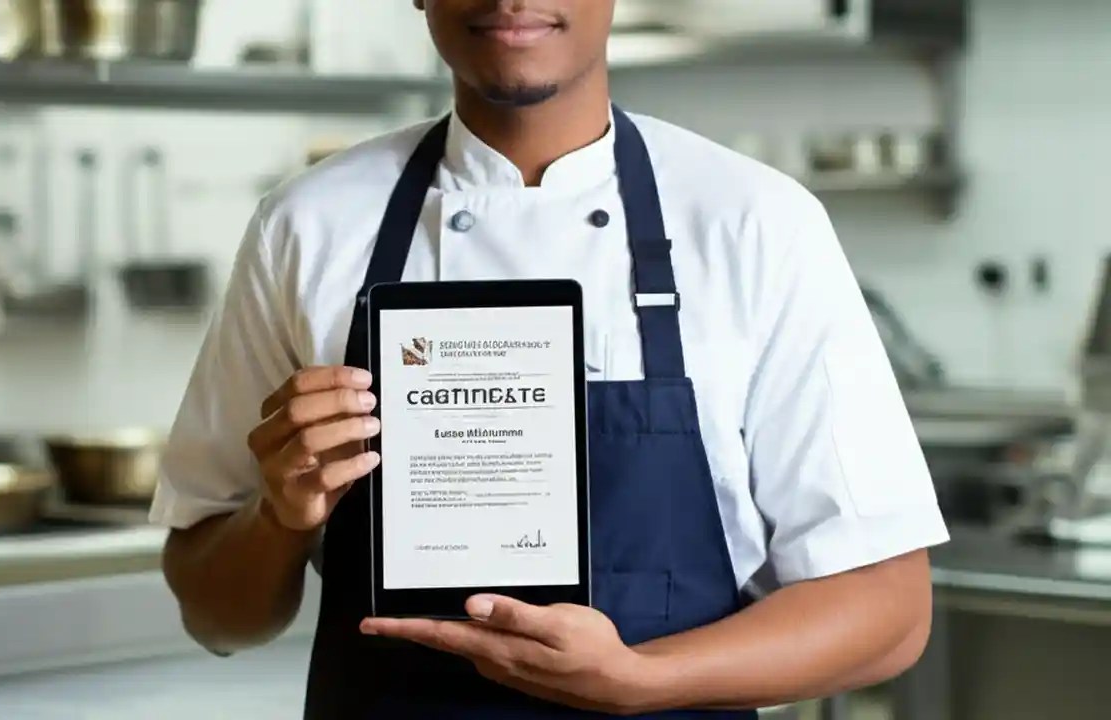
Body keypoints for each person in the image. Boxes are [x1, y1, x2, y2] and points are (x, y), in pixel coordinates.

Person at [152, 1, 949, 718]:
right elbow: (216, 615)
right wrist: (276, 519)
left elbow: (889, 612)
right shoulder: (308, 227)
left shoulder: (756, 224)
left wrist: (645, 679)